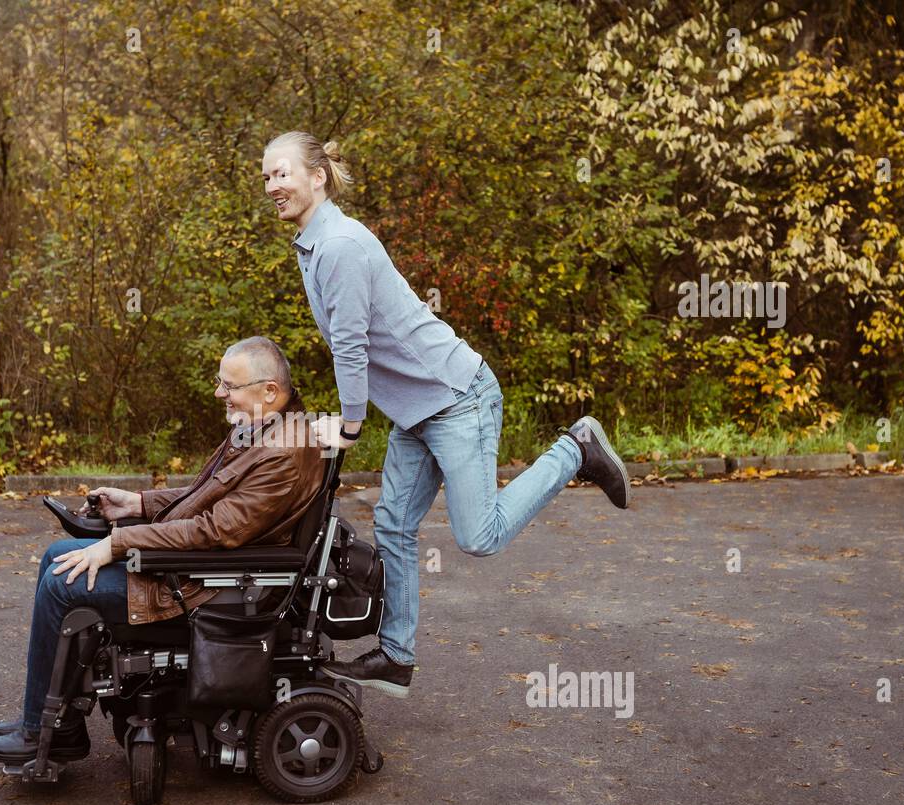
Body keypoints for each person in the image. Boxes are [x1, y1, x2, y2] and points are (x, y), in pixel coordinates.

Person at [260, 130, 630, 700]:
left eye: (282, 173)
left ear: (317, 177)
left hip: (458, 397)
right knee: (393, 526)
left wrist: (351, 424)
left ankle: (576, 448)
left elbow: (352, 345)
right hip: (418, 411)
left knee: (479, 536)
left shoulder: (340, 245)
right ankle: (396, 656)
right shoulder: (315, 243)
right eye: (266, 177)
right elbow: (350, 342)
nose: (273, 185)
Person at [0, 336, 325, 764]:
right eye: (220, 382)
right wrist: (138, 503)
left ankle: (43, 732)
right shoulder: (268, 429)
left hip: (215, 585)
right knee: (57, 554)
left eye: (230, 385)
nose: (219, 393)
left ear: (269, 391)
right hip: (205, 569)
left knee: (61, 582)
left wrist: (119, 542)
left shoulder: (284, 453)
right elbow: (206, 494)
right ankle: (56, 722)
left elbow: (215, 531)